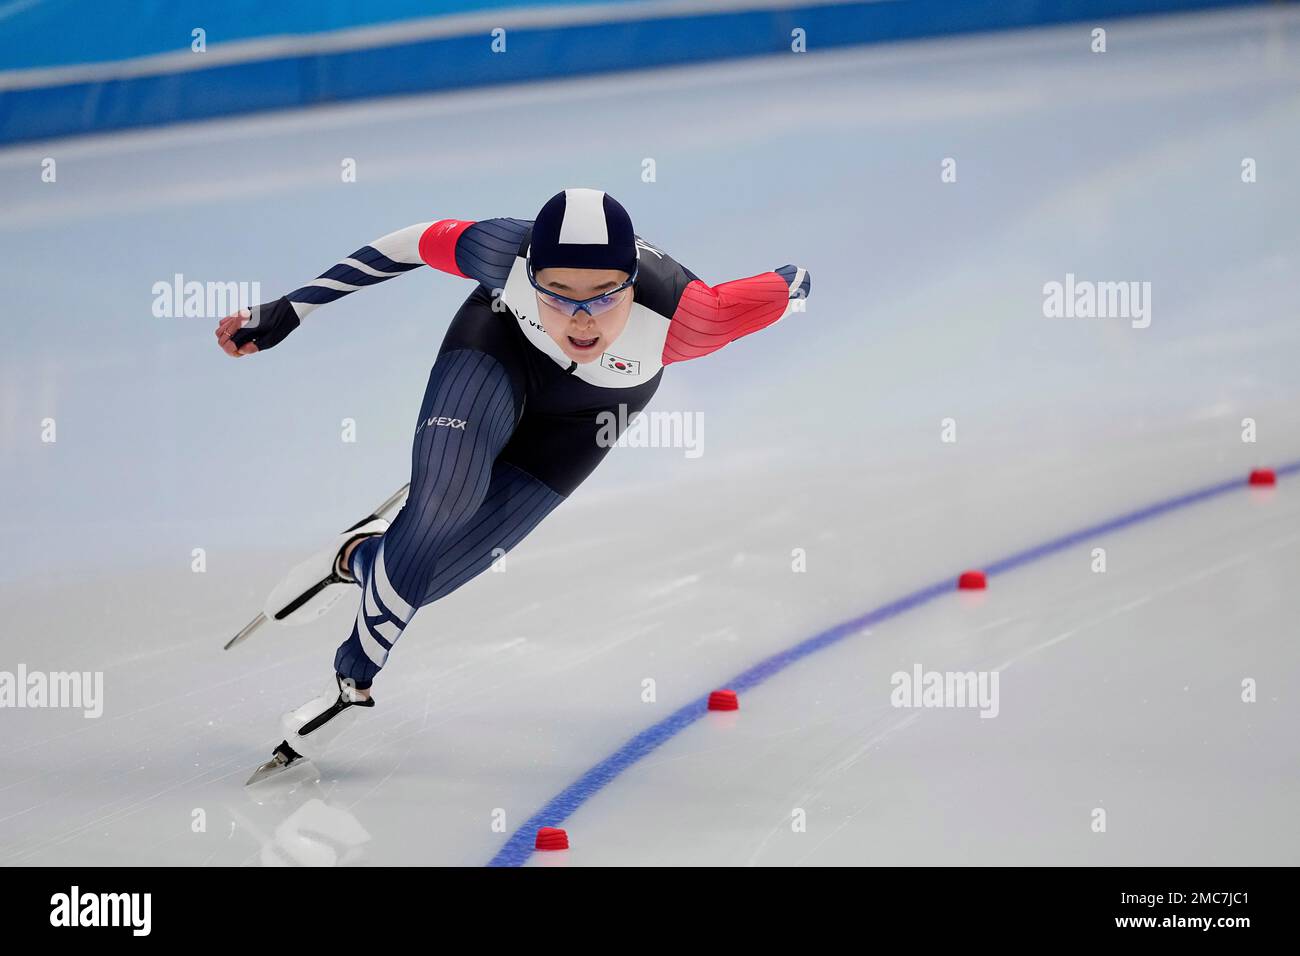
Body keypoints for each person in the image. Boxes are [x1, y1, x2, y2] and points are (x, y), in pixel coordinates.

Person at [219, 187, 811, 781]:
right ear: (530, 273)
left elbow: (790, 283)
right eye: (557, 293)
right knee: (445, 499)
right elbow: (408, 244)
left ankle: (361, 555)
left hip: (588, 419)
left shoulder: (695, 315)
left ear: (632, 284)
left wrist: (797, 283)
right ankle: (354, 680)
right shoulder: (502, 250)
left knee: (426, 575)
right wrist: (295, 307)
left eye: (603, 297)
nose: (580, 319)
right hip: (497, 350)